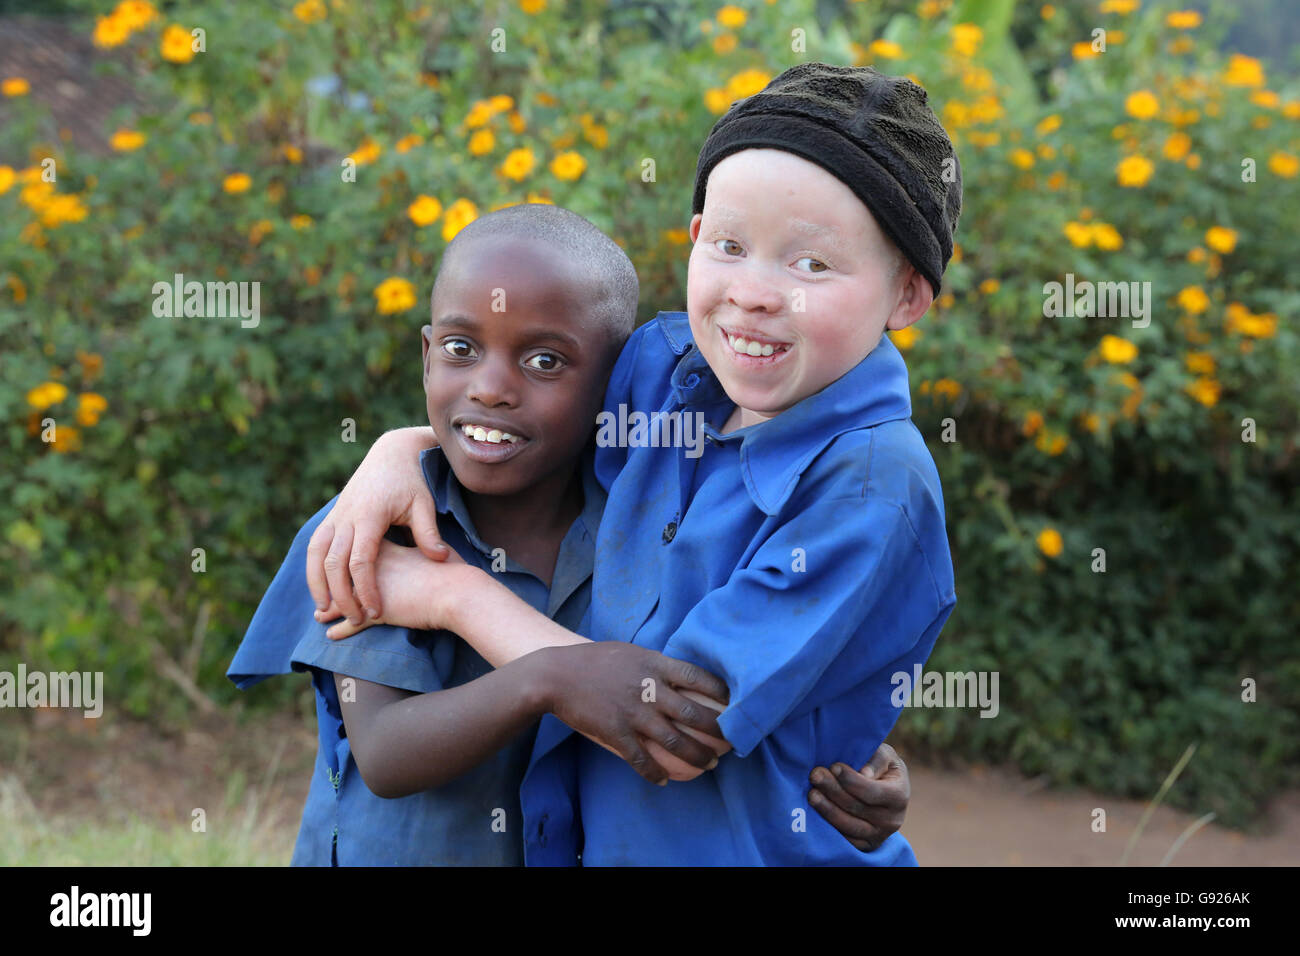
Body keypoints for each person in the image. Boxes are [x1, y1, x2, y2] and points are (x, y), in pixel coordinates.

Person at [315, 63, 959, 865]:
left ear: (906, 296)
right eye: (730, 245)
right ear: (693, 240)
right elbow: (513, 414)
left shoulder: (870, 485)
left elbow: (674, 731)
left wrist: (453, 593)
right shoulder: (662, 371)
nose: (756, 293)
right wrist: (398, 450)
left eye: (812, 265)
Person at [229, 201, 913, 864]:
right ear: (428, 354)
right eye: (462, 348)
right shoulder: (377, 532)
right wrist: (550, 678)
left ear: (614, 387)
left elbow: (708, 689)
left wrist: (836, 748)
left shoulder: (637, 520)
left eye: (546, 362)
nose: (492, 388)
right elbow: (385, 752)